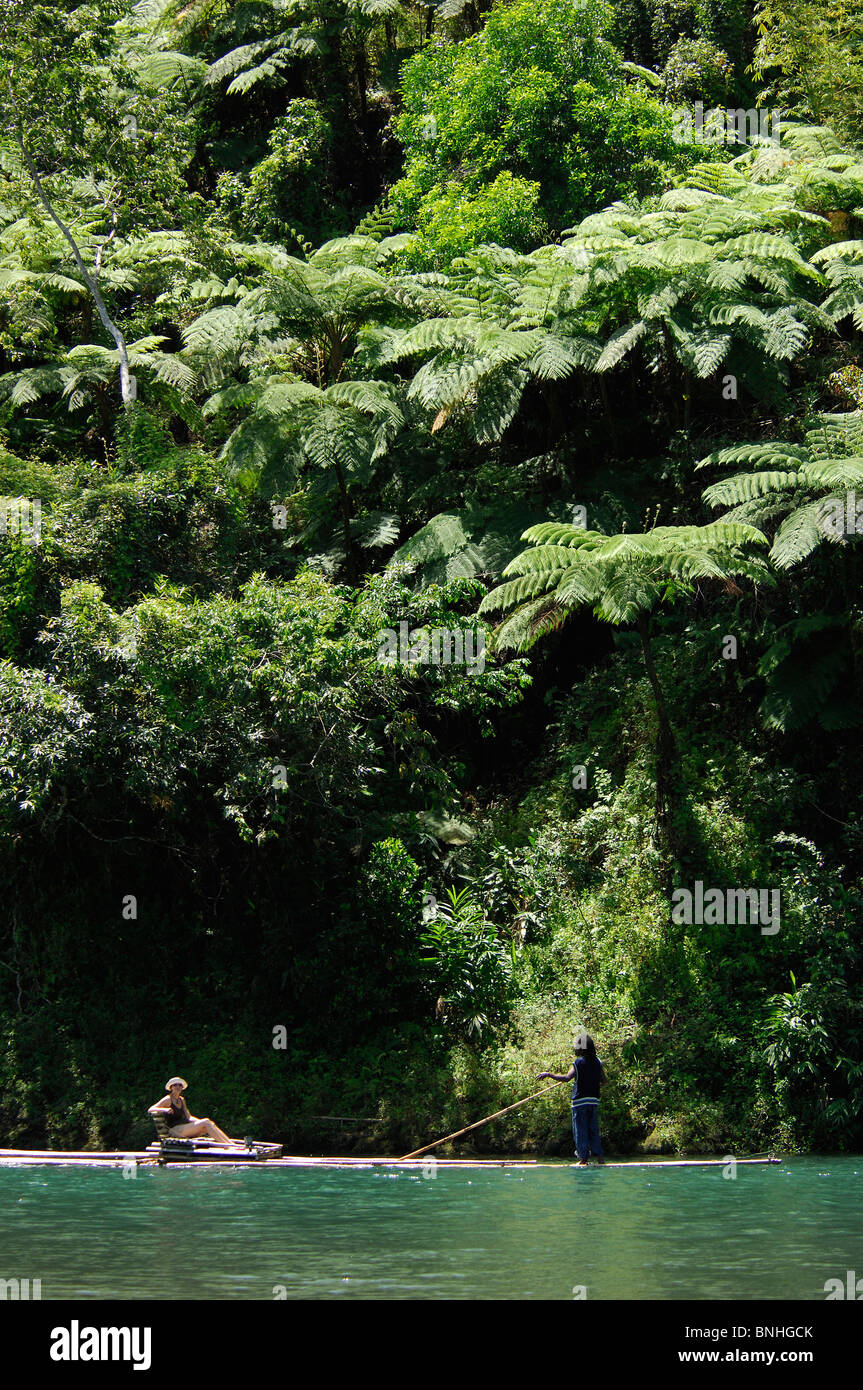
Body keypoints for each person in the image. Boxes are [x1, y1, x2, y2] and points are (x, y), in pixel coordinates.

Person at [538, 1033, 606, 1165]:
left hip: (579, 1102)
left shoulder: (578, 1063)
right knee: (593, 1129)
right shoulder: (598, 1061)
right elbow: (604, 1081)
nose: (575, 1049)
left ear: (581, 1048)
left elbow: (566, 1078)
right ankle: (600, 1158)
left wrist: (549, 1074)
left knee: (580, 1131)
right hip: (593, 1101)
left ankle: (583, 1159)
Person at [148, 1077, 238, 1145]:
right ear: (171, 1087)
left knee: (209, 1124)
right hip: (174, 1130)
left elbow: (189, 1117)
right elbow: (151, 1109)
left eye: (180, 1085)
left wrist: (201, 1122)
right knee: (205, 1122)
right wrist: (164, 1109)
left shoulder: (182, 1100)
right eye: (175, 1085)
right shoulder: (168, 1099)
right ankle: (227, 1146)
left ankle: (230, 1144)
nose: (178, 1087)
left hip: (184, 1128)